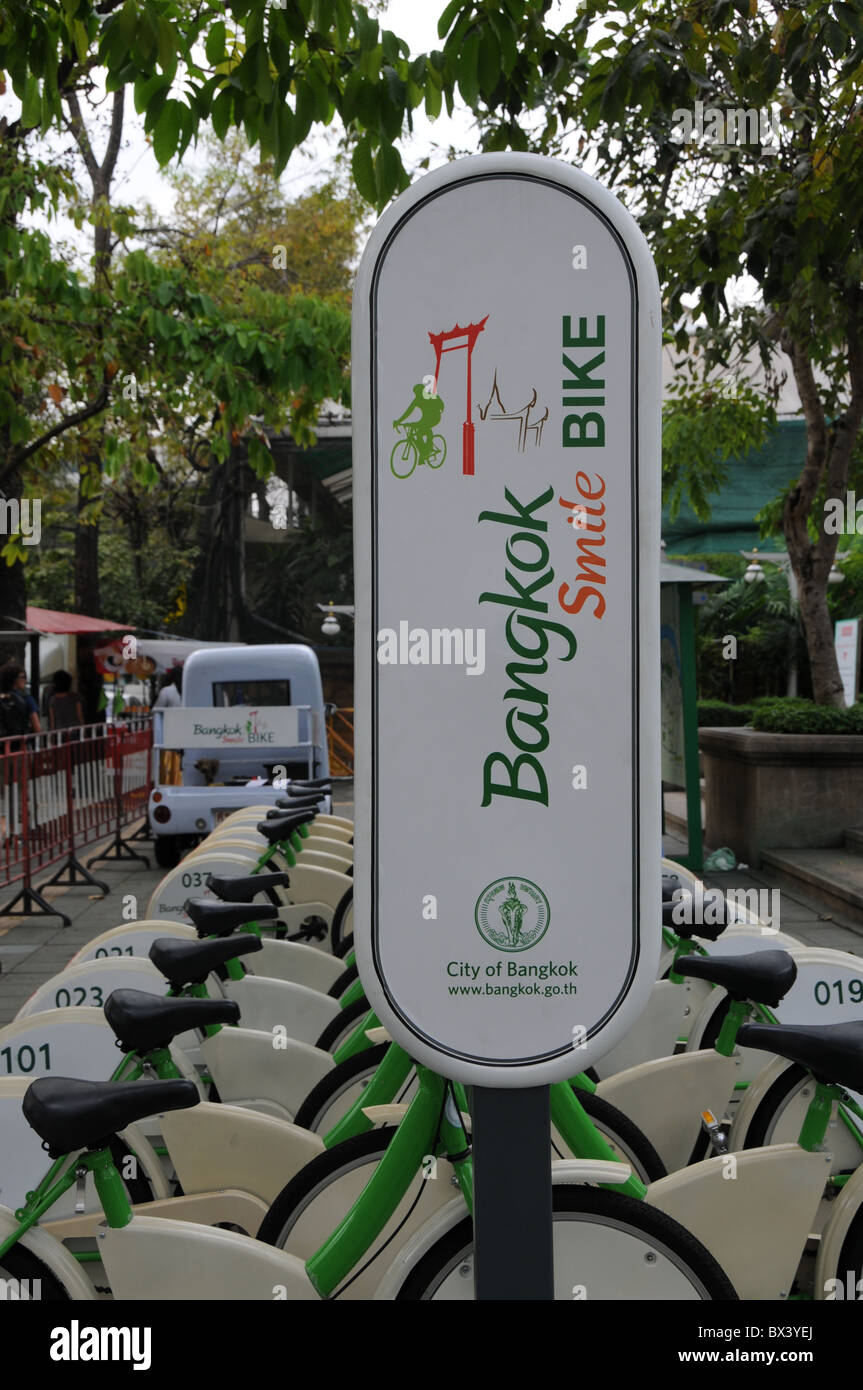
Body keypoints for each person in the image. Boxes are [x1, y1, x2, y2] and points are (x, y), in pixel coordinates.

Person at [0, 662, 41, 737]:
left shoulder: (2, 698)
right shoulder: (27, 698)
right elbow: (37, 728)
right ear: (14, 679)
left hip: (3, 745)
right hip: (21, 745)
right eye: (23, 677)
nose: (25, 680)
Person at [47, 669, 83, 734]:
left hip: (60, 734)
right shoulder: (75, 697)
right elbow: (80, 717)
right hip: (75, 732)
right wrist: (84, 733)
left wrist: (52, 738)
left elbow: (52, 722)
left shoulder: (52, 700)